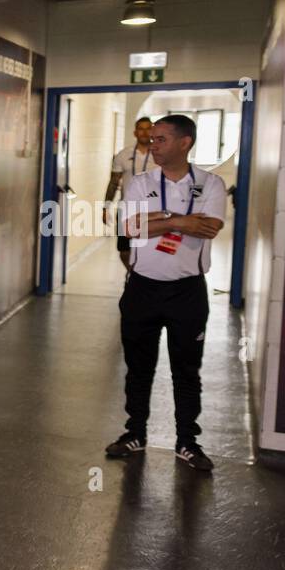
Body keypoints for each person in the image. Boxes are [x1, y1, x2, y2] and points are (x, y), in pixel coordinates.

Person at [108, 114, 225, 472]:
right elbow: (130, 227)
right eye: (152, 139)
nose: (152, 145)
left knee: (186, 370)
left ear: (184, 143)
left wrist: (159, 219)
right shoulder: (141, 183)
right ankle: (135, 433)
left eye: (161, 140)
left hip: (187, 293)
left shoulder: (211, 184)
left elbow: (210, 228)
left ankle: (187, 441)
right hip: (142, 288)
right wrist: (179, 221)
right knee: (138, 368)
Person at [104, 116, 160, 270]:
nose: (144, 132)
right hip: (127, 210)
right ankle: (132, 275)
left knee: (150, 248)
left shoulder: (160, 154)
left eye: (148, 128)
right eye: (141, 129)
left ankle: (144, 279)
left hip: (153, 210)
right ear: (135, 133)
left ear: (153, 131)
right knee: (124, 250)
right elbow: (113, 182)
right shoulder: (123, 154)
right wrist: (105, 207)